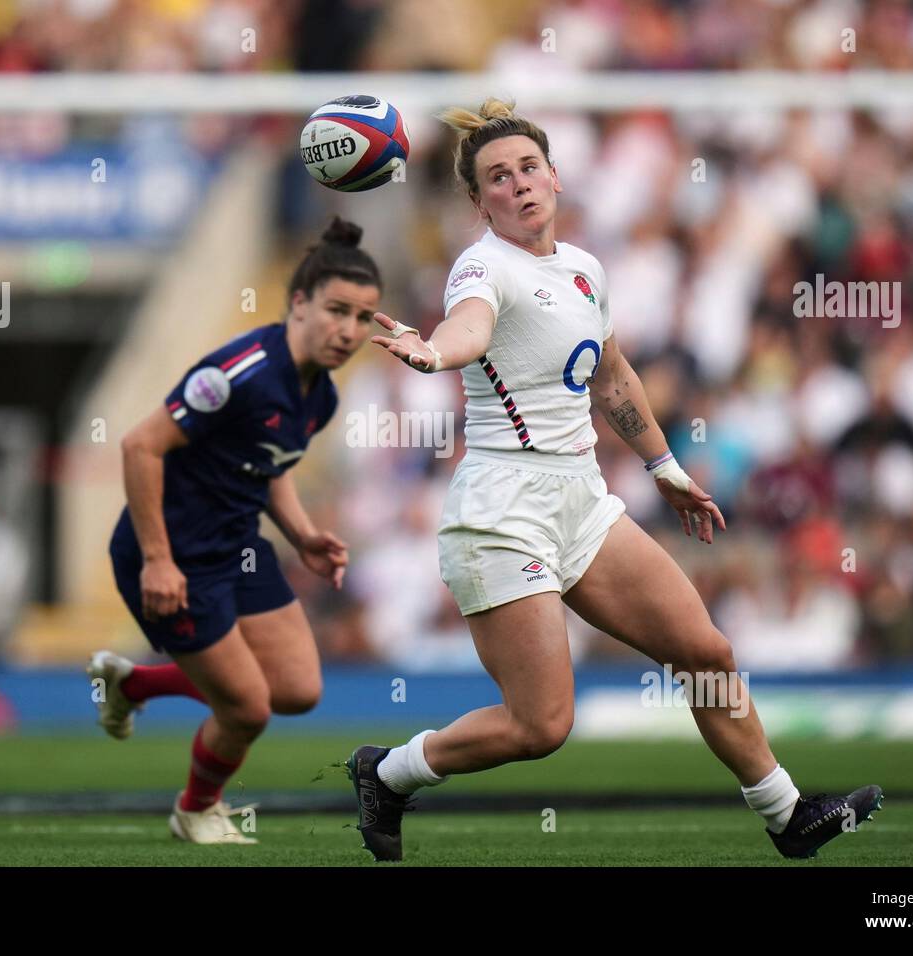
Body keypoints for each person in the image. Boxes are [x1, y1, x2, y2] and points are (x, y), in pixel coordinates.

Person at [346, 99, 882, 862]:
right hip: (502, 513)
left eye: (530, 167)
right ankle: (388, 772)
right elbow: (464, 328)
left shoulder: (583, 270)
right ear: (479, 201)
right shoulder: (482, 265)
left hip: (582, 500)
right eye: (498, 178)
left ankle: (786, 813)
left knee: (706, 654)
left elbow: (614, 375)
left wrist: (664, 467)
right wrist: (434, 352)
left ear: (556, 176)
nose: (519, 184)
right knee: (543, 726)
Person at [89, 216, 380, 844]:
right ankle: (195, 810)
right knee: (246, 707)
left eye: (363, 319)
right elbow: (141, 447)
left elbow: (269, 466)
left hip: (237, 548)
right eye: (337, 311)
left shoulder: (320, 396)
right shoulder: (238, 372)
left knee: (298, 690)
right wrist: (158, 562)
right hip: (172, 552)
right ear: (298, 303)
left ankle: (133, 682)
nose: (349, 331)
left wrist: (302, 534)